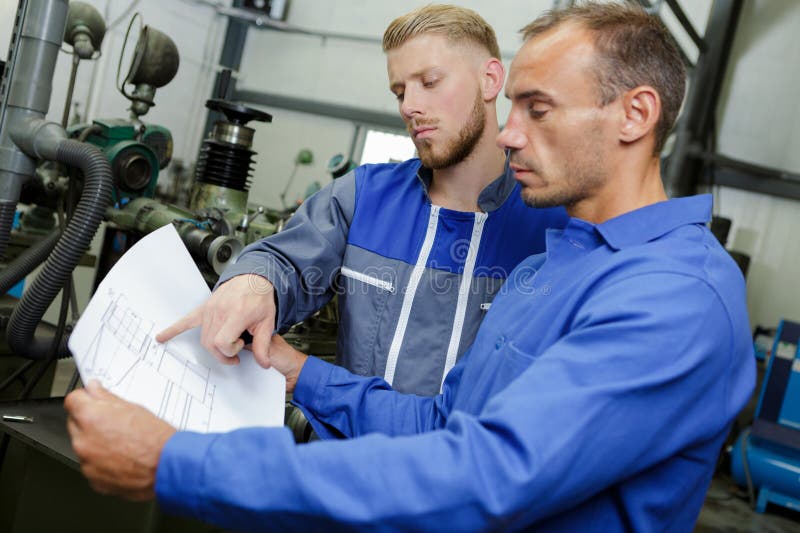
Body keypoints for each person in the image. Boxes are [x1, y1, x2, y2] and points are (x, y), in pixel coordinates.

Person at [65, 2, 755, 531]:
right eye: (514, 106)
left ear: (636, 113)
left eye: (537, 108)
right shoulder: (552, 266)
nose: (510, 131)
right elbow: (439, 428)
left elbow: (486, 474)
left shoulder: (675, 296)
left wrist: (177, 462)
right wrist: (298, 369)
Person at [157, 4, 568, 396]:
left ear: (490, 80)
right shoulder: (363, 196)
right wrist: (254, 281)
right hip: (345, 461)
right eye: (399, 91)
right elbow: (286, 262)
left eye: (430, 82)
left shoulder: (551, 224)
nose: (410, 106)